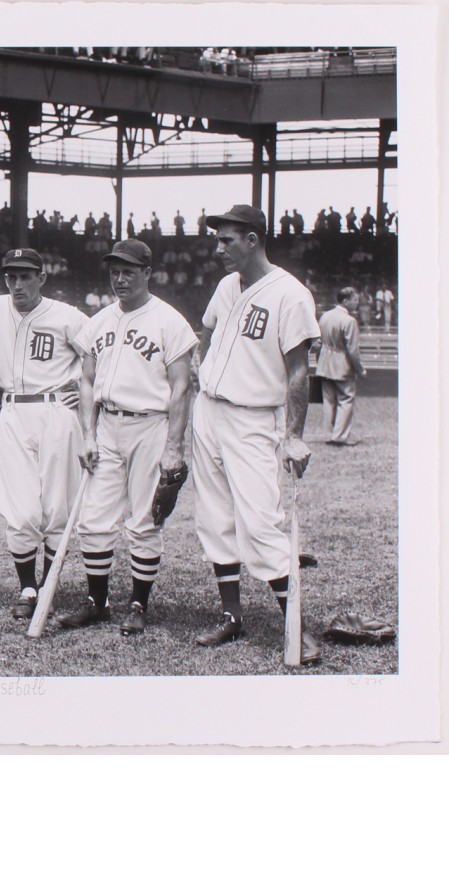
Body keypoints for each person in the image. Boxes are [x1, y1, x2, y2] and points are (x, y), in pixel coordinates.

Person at [191, 206, 321, 665]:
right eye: (218, 240)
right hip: (208, 410)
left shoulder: (291, 294)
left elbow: (299, 372)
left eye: (227, 240)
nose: (218, 248)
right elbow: (206, 332)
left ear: (252, 240)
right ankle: (231, 615)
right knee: (214, 517)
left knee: (261, 523)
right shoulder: (227, 286)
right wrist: (202, 371)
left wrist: (294, 435)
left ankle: (296, 629)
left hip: (253, 417)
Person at [57, 240, 196, 631]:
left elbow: (182, 388)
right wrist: (88, 434)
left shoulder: (170, 321)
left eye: (129, 272)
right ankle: (96, 601)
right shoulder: (98, 321)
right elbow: (85, 380)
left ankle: (138, 604)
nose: (120, 279)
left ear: (147, 273)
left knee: (143, 521)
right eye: (115, 272)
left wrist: (174, 446)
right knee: (94, 518)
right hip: (107, 426)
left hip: (151, 425)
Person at [0, 247, 88, 618]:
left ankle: (48, 584)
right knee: (19, 511)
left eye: (25, 276)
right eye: (11, 277)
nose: (17, 284)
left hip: (56, 412)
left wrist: (82, 386)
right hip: (12, 411)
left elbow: (99, 357)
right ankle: (28, 588)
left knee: (56, 507)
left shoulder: (68, 316)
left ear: (41, 278)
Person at [316, 288, 366, 446]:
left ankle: (329, 434)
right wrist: (360, 369)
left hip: (324, 364)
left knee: (328, 401)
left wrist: (320, 361)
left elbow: (318, 343)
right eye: (354, 300)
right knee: (345, 399)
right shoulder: (349, 321)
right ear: (345, 301)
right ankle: (340, 436)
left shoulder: (324, 316)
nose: (357, 303)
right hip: (342, 365)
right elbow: (352, 350)